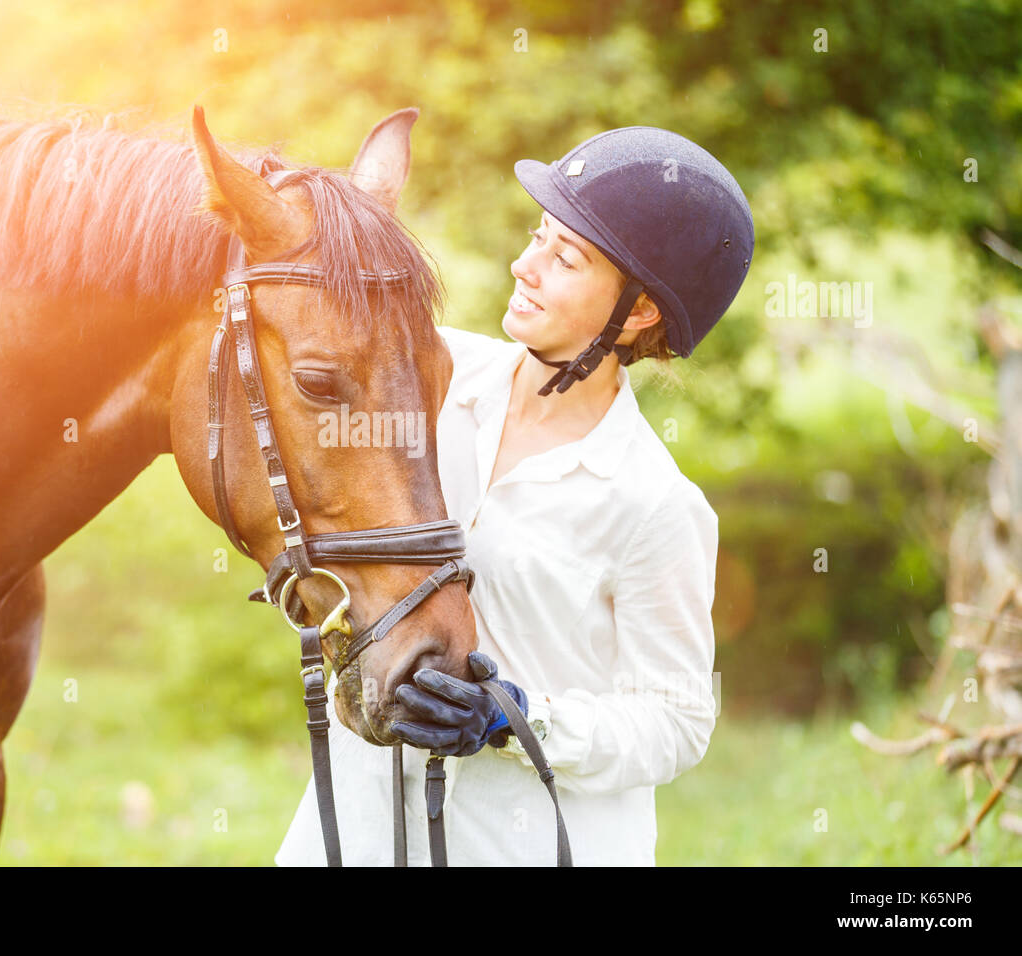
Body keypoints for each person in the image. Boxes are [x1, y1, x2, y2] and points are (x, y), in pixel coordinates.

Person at [276, 126, 754, 866]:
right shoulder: (425, 377)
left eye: (564, 258)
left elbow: (679, 720)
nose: (523, 266)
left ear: (637, 313)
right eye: (538, 237)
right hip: (355, 829)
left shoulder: (655, 503)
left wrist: (518, 720)